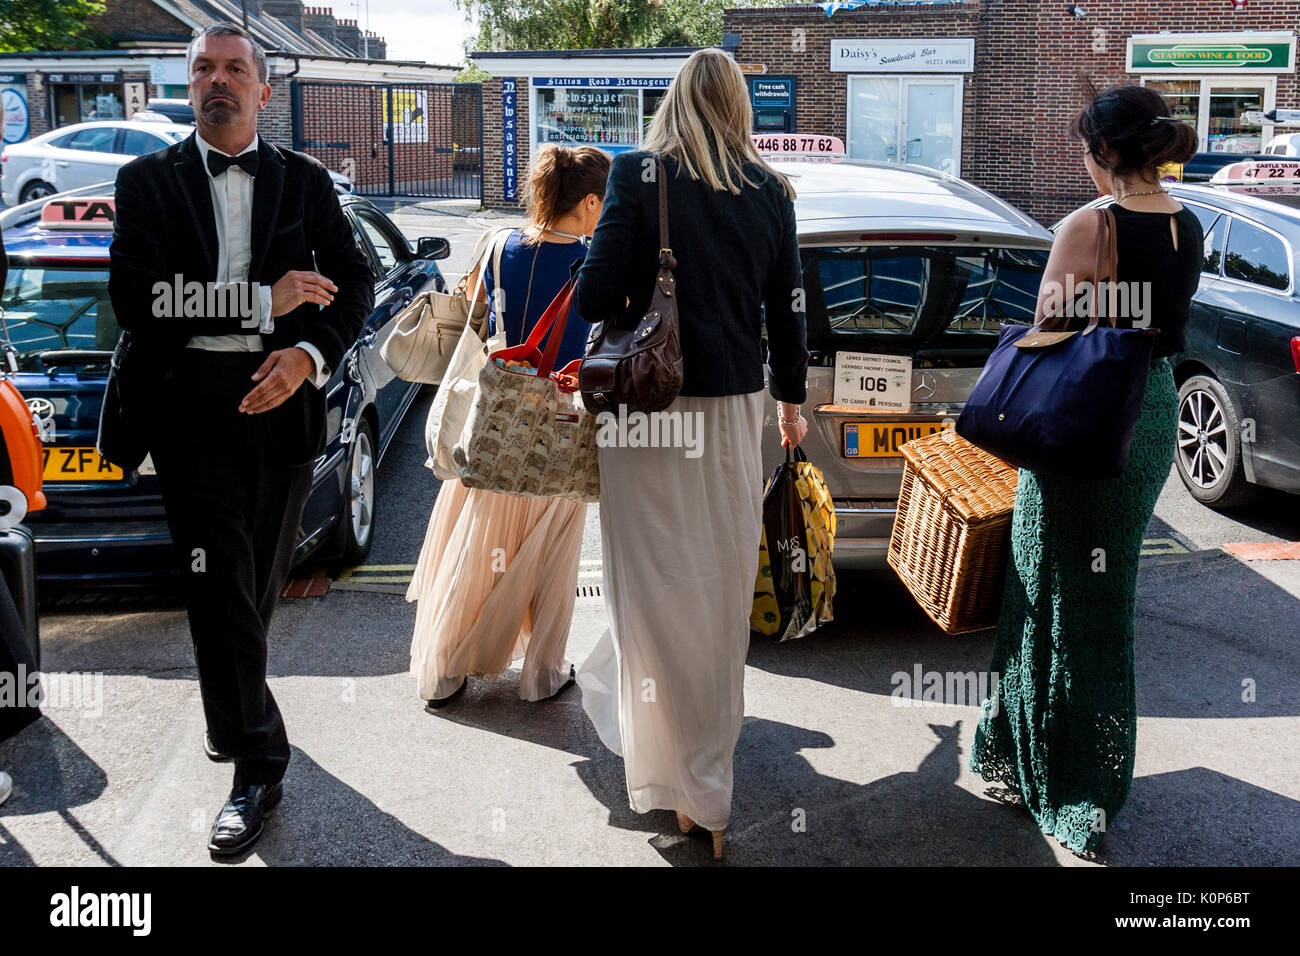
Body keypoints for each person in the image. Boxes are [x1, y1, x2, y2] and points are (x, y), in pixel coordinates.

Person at [108, 22, 372, 857]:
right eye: (201, 70)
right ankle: (256, 764)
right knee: (219, 589)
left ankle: (241, 709)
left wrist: (307, 352)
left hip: (282, 403)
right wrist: (262, 305)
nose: (216, 81)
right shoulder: (146, 181)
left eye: (234, 70)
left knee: (253, 588)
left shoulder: (304, 183)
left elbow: (354, 284)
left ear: (265, 91)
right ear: (188, 87)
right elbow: (141, 304)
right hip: (191, 407)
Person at [572, 48, 809, 860]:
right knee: (715, 595)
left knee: (651, 591)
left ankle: (666, 773)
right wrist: (792, 402)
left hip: (646, 415)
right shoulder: (771, 189)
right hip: (737, 409)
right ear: (739, 106)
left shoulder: (639, 175)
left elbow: (594, 299)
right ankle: (708, 789)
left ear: (673, 100)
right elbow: (788, 310)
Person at [969, 81, 1201, 855]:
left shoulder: (1090, 224)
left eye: (1084, 147)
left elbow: (1050, 327)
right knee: (1102, 597)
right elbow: (1161, 325)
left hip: (1090, 416)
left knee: (1051, 591)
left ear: (1104, 152)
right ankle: (1087, 774)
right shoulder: (1187, 220)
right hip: (1154, 409)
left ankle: (1066, 783)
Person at [406, 144, 609, 707]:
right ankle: (542, 673)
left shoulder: (497, 243)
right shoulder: (595, 261)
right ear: (589, 201)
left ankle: (444, 669)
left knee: (476, 545)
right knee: (552, 552)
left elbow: (475, 311)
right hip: (563, 419)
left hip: (496, 417)